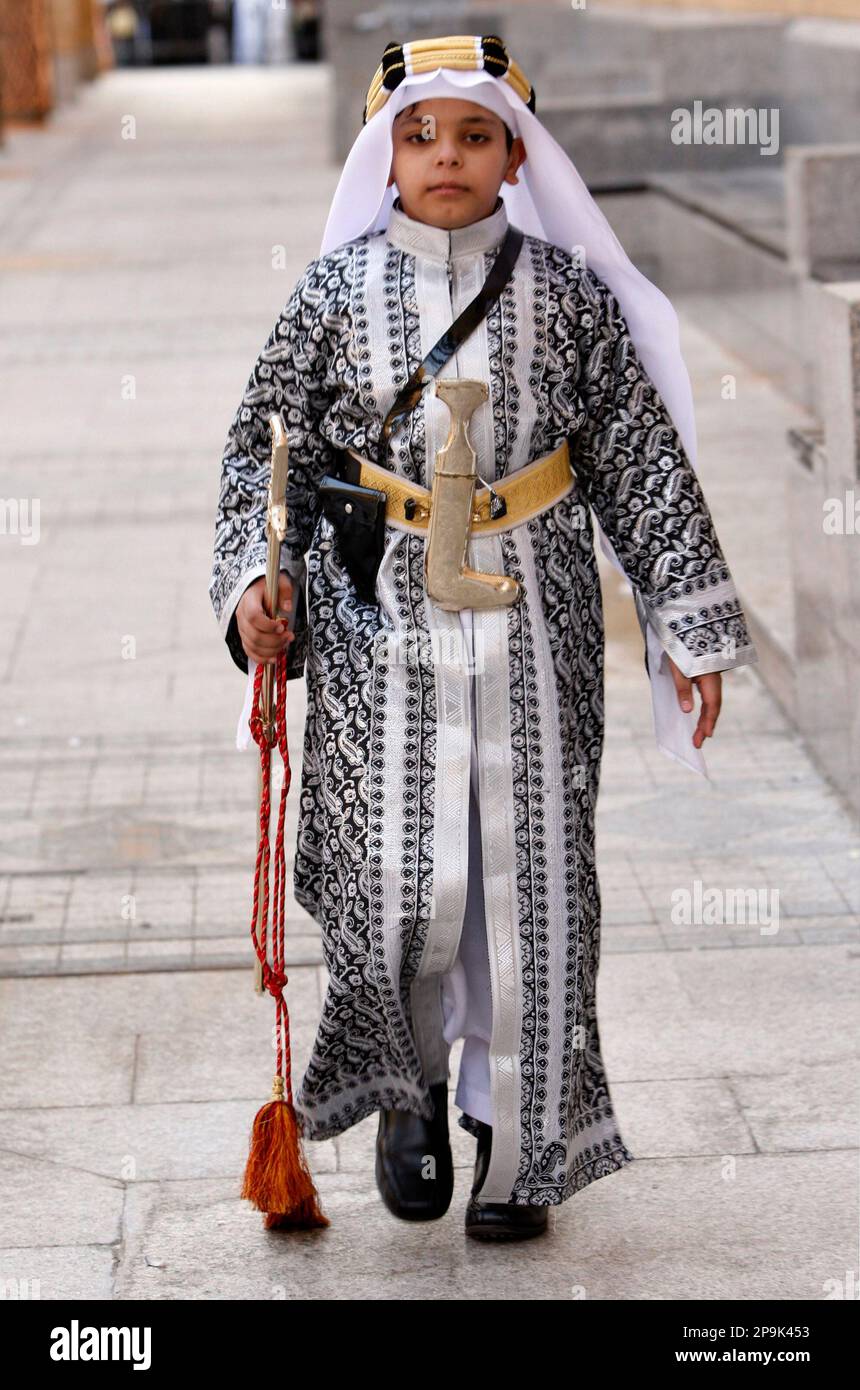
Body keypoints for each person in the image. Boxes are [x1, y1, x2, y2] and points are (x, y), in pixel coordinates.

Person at [209, 34, 758, 1241]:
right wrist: (259, 575)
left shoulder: (568, 299)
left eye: (470, 136)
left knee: (528, 884)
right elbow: (266, 450)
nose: (443, 157)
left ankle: (514, 1137)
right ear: (385, 156)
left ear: (515, 156)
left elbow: (640, 461)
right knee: (398, 876)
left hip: (538, 619)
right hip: (375, 625)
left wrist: (685, 623)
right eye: (418, 137)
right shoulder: (327, 296)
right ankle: (401, 1096)